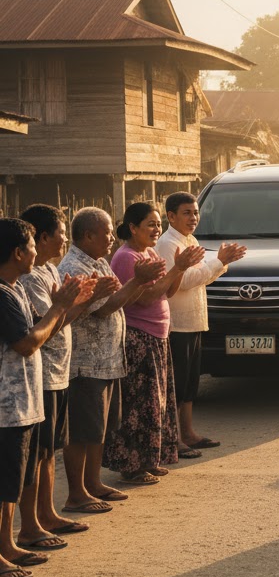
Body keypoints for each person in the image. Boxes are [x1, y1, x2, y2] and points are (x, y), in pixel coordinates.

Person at [18, 204, 118, 548]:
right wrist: (72, 303)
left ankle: (46, 514)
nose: (64, 240)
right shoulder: (30, 277)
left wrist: (78, 299)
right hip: (41, 375)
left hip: (57, 373)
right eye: (60, 233)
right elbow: (42, 329)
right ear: (42, 237)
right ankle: (31, 523)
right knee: (36, 454)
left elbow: (60, 318)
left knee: (49, 451)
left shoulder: (47, 270)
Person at [0, 218, 90, 577]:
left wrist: (67, 305)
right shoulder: (3, 294)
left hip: (22, 402)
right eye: (32, 246)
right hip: (6, 406)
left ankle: (7, 546)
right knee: (2, 483)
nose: (36, 251)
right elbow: (27, 343)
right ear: (18, 252)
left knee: (11, 483)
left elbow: (44, 327)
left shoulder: (14, 288)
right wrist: (58, 308)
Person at [58, 207, 166, 513]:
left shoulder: (99, 262)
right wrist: (137, 281)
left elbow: (120, 300)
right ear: (88, 235)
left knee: (99, 427)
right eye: (106, 232)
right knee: (81, 430)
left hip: (106, 360)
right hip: (85, 362)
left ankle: (92, 484)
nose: (111, 237)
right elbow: (104, 308)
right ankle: (76, 492)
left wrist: (137, 283)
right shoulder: (75, 267)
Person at [103, 202, 205, 485]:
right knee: (139, 405)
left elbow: (167, 291)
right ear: (132, 228)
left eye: (158, 224)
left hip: (158, 335)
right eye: (150, 224)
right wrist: (177, 268)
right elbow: (146, 297)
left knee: (156, 403)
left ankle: (148, 460)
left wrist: (181, 268)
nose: (156, 229)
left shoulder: (148, 252)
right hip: (138, 336)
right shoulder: (126, 257)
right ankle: (132, 465)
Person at [154, 192, 246, 458]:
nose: (193, 218)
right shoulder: (167, 244)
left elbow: (201, 276)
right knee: (177, 384)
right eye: (186, 213)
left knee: (191, 382)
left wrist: (220, 262)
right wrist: (219, 261)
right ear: (170, 216)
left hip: (194, 320)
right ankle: (174, 438)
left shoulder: (190, 240)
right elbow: (181, 282)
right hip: (177, 324)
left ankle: (188, 432)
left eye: (195, 212)